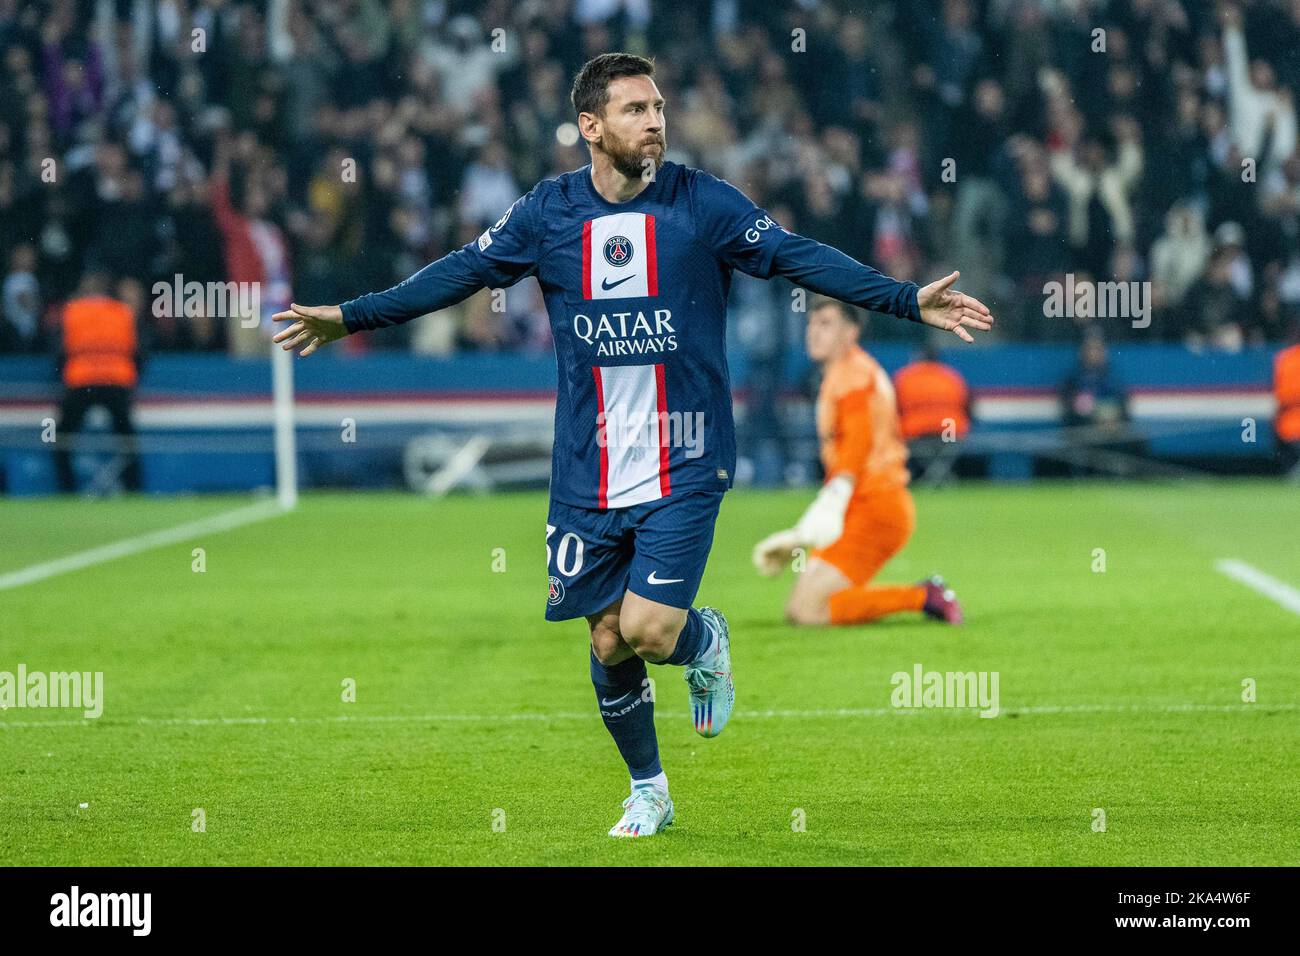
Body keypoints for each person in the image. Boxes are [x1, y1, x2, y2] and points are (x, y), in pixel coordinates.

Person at [271, 53, 993, 838]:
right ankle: (649, 788)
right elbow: (463, 272)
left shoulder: (701, 202)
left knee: (649, 628)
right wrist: (353, 315)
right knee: (608, 637)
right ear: (591, 127)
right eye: (634, 109)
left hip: (686, 455)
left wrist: (903, 299)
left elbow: (793, 253)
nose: (654, 120)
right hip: (588, 464)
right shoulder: (548, 214)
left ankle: (704, 637)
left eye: (658, 107)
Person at [751, 298, 964, 627]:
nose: (813, 332)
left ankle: (923, 597)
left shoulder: (853, 375)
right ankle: (924, 594)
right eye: (811, 323)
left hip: (875, 506)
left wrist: (832, 499)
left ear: (851, 332)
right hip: (861, 504)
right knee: (800, 609)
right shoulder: (846, 371)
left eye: (825, 324)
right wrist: (802, 534)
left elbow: (857, 444)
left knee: (808, 612)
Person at [54, 271, 142, 493]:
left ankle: (66, 488)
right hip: (116, 383)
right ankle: (134, 487)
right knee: (127, 439)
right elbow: (138, 352)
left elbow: (59, 352)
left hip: (81, 382)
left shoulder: (72, 311)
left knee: (61, 437)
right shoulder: (122, 311)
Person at [893, 340, 971, 482]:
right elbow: (968, 407)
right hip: (949, 434)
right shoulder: (951, 377)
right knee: (944, 448)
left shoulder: (905, 377)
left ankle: (924, 477)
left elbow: (894, 409)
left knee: (912, 444)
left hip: (916, 433)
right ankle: (942, 478)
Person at [1274, 325, 1300, 478]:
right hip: (1290, 426)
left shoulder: (1285, 358)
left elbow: (1281, 397)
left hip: (1288, 427)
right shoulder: (1287, 359)